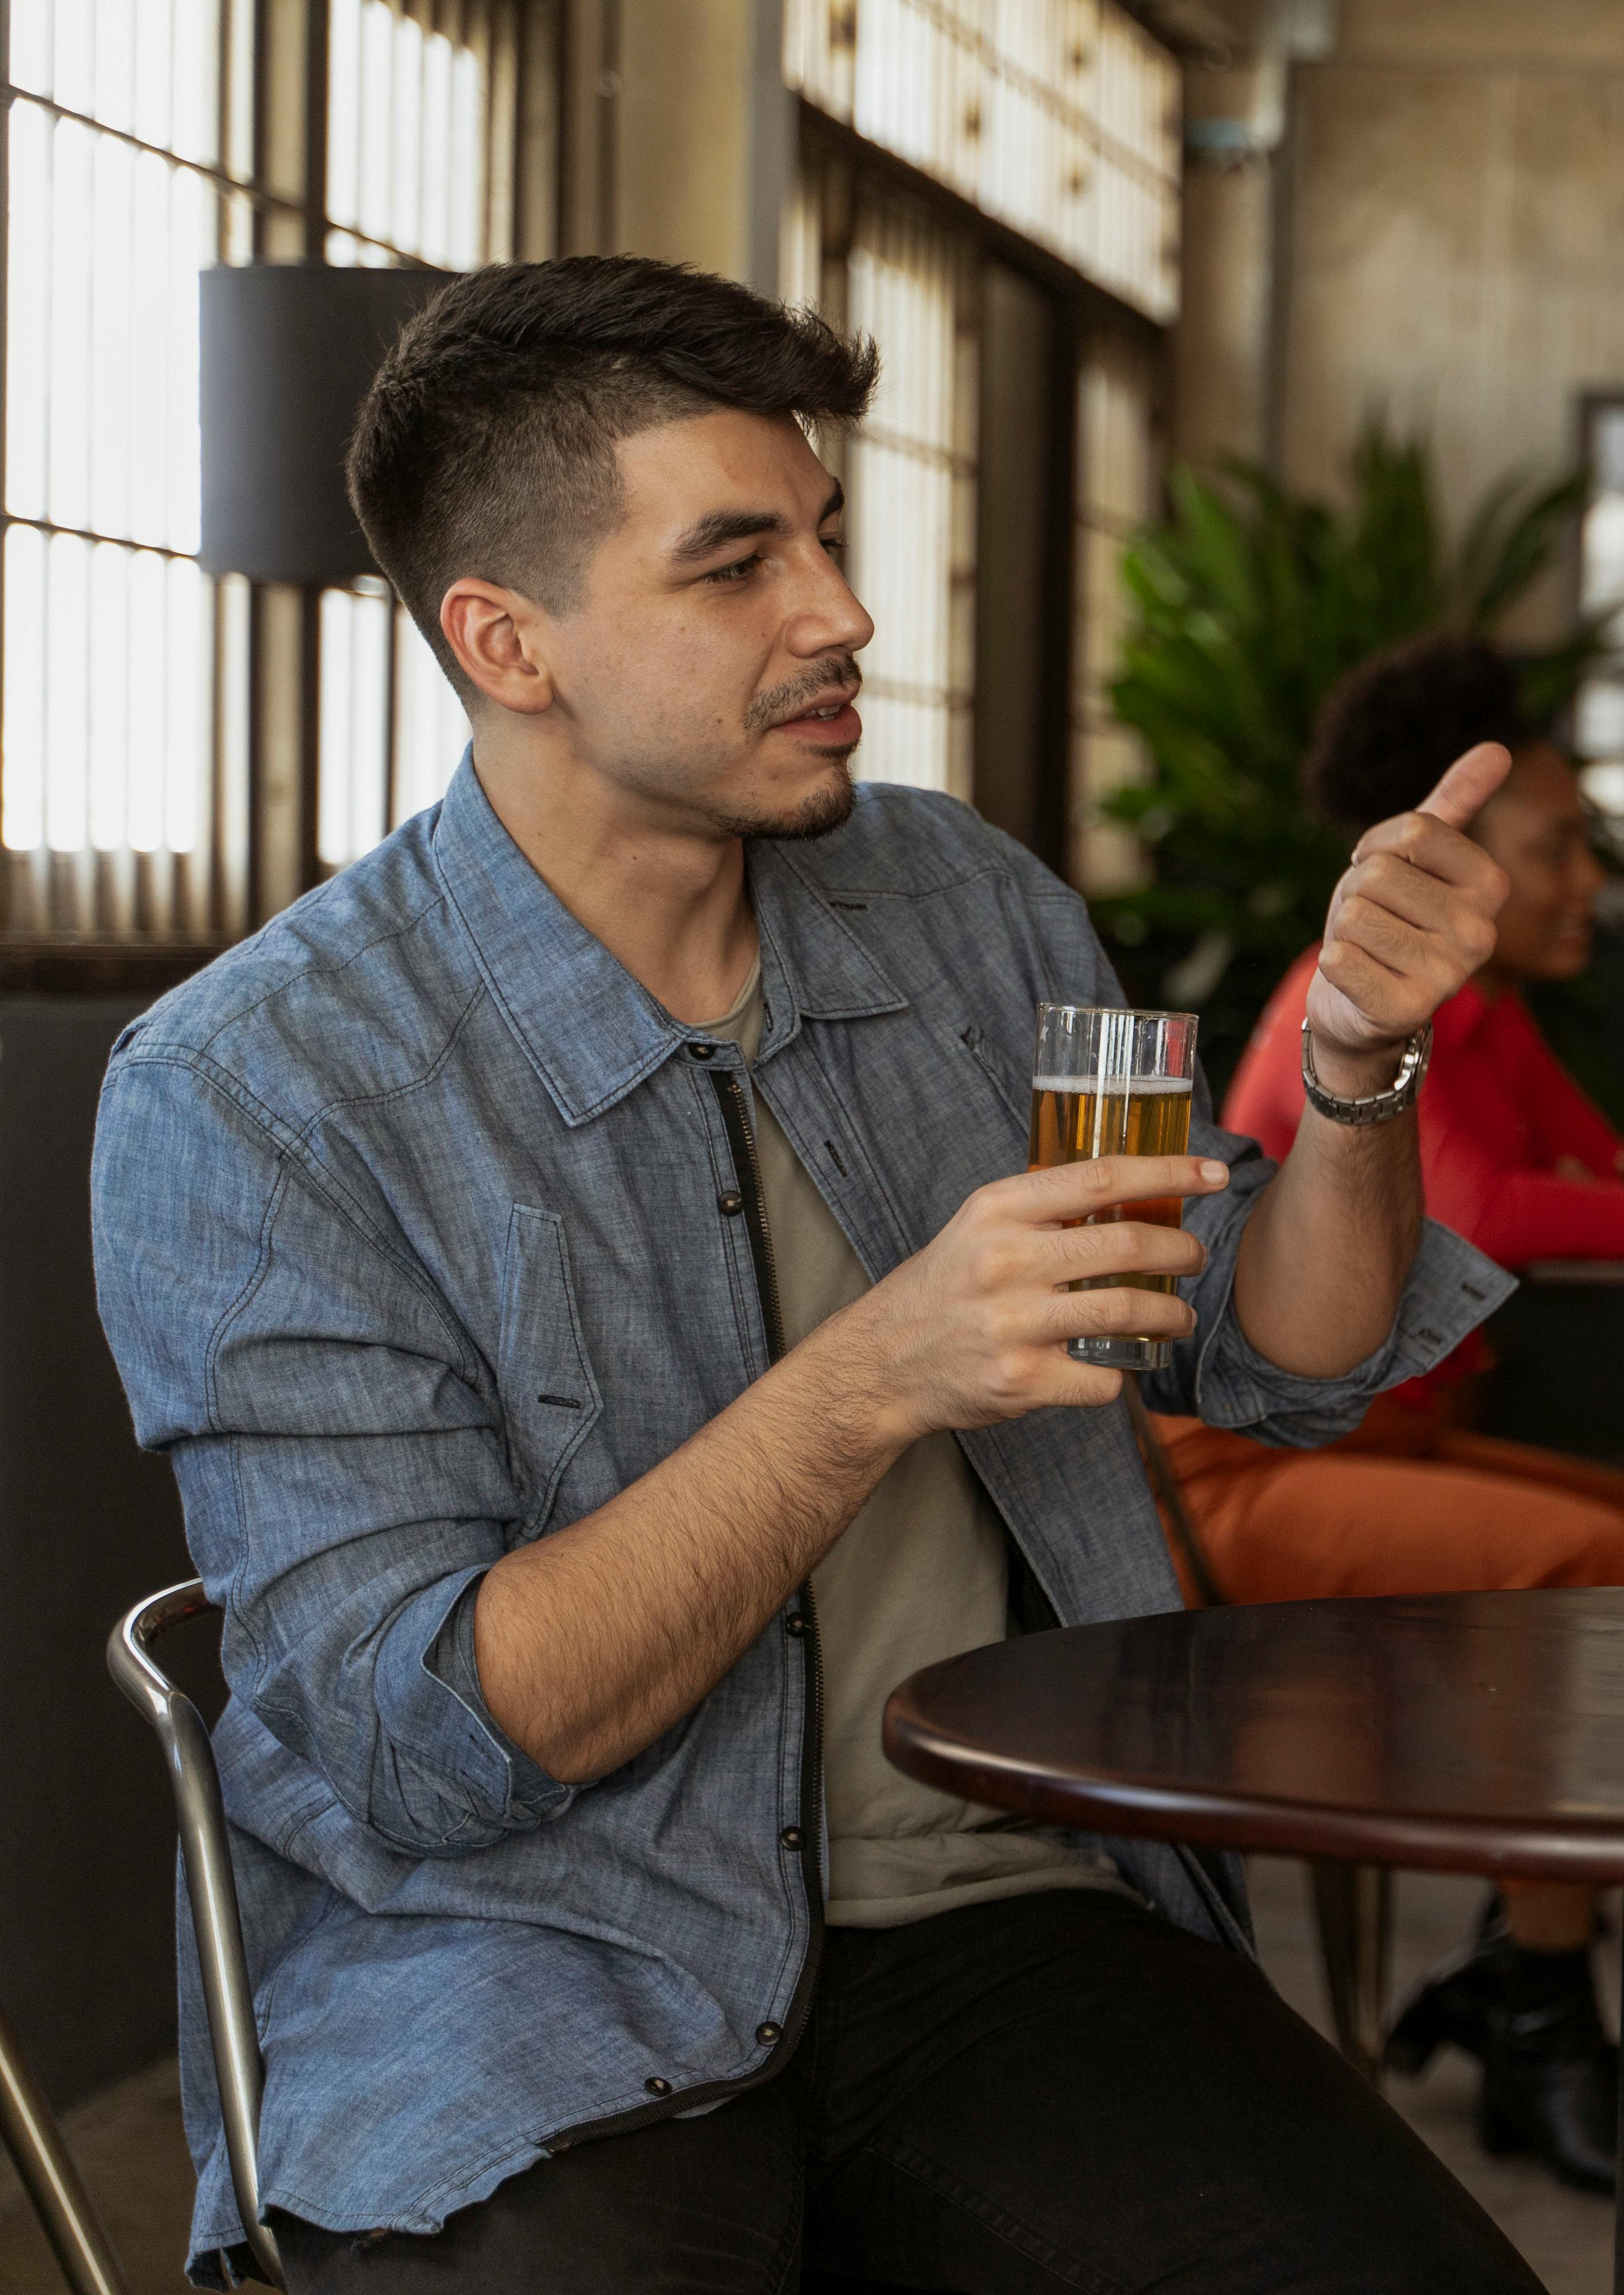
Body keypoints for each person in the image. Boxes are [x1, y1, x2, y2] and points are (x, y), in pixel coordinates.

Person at [88, 256, 1540, 2293]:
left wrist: (1362, 1065)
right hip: (521, 1971)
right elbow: (435, 1740)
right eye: (734, 563)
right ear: (508, 641)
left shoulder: (955, 903)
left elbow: (1271, 1348)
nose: (840, 612)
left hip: (998, 1919)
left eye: (827, 539)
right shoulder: (263, 1090)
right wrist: (875, 1375)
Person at [1159, 633, 1624, 2193]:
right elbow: (1482, 1205)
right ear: (1446, 853)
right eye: (1561, 846)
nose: (1592, 876)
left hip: (1397, 1439)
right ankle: (1543, 2016)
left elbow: (1589, 1180)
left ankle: (1540, 1968)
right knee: (1603, 1578)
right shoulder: (1372, 991)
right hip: (1244, 1464)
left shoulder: (1494, 1015)